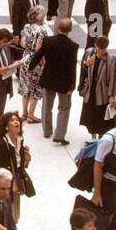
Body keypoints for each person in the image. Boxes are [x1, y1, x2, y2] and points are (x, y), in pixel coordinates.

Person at [28, 16, 80, 145]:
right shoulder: (73, 46)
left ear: (57, 28)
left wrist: (30, 67)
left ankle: (47, 131)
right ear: (70, 30)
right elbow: (72, 67)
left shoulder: (48, 41)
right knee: (64, 108)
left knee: (47, 106)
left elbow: (38, 55)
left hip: (48, 79)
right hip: (64, 82)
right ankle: (59, 135)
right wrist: (72, 86)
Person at [78, 36, 116, 138]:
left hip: (102, 94)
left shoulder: (110, 59)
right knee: (90, 118)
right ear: (96, 46)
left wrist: (112, 95)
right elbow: (83, 70)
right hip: (90, 91)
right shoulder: (89, 53)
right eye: (99, 48)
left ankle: (101, 139)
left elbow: (113, 78)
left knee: (101, 119)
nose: (101, 51)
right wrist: (86, 64)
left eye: (103, 49)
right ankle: (93, 138)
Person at [16, 4, 49, 121]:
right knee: (35, 87)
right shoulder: (42, 30)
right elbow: (38, 48)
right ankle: (31, 115)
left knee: (25, 85)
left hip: (25, 58)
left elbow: (22, 43)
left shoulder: (26, 27)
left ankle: (24, 113)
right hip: (36, 60)